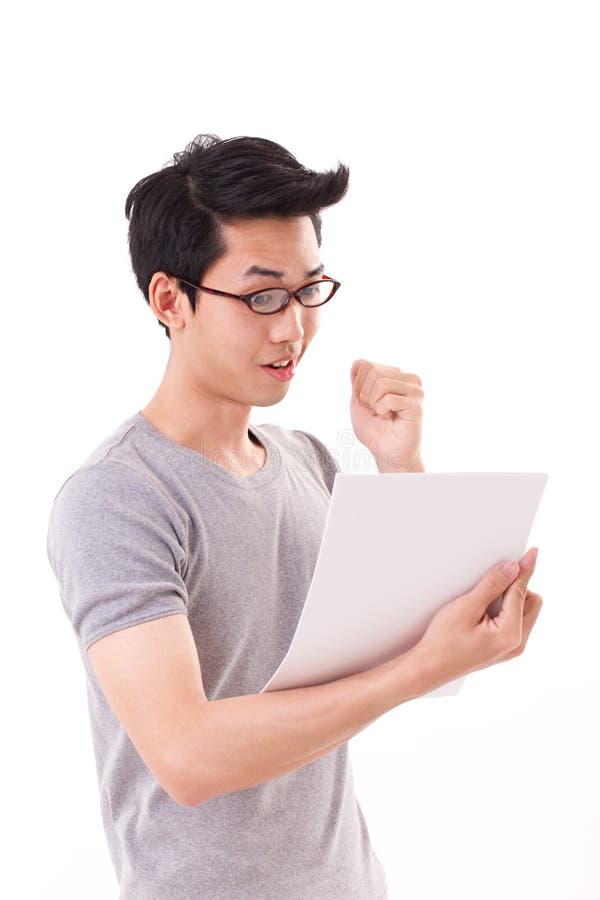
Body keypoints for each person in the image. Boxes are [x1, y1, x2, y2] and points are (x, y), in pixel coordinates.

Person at [46, 133, 542, 900]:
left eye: (309, 290)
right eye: (262, 296)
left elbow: (405, 647)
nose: (293, 329)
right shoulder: (117, 498)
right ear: (169, 300)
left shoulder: (309, 461)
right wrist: (421, 670)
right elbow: (188, 756)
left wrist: (398, 467)